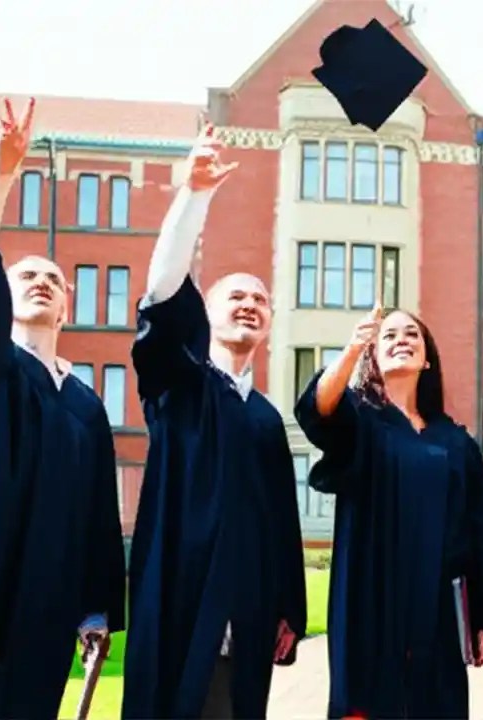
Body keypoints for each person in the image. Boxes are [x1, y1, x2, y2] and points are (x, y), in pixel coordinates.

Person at [122, 125, 308, 719]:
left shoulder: (265, 417)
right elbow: (161, 293)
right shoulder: (180, 384)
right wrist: (192, 199)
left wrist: (289, 608)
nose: (250, 305)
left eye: (261, 300)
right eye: (236, 297)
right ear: (204, 313)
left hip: (246, 608)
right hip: (180, 587)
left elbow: (283, 516)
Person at [0, 97, 126, 719]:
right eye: (25, 276)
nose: (40, 283)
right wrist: (3, 172)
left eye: (53, 281)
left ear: (68, 307)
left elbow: (97, 516)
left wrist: (95, 608)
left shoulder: (86, 405)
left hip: (50, 607)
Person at [294, 305, 483, 718]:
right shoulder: (360, 422)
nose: (401, 340)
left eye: (412, 334)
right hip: (370, 595)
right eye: (389, 335)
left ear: (427, 358)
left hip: (438, 605)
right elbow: (318, 411)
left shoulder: (455, 442)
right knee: (368, 701)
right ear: (373, 356)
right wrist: (355, 346)